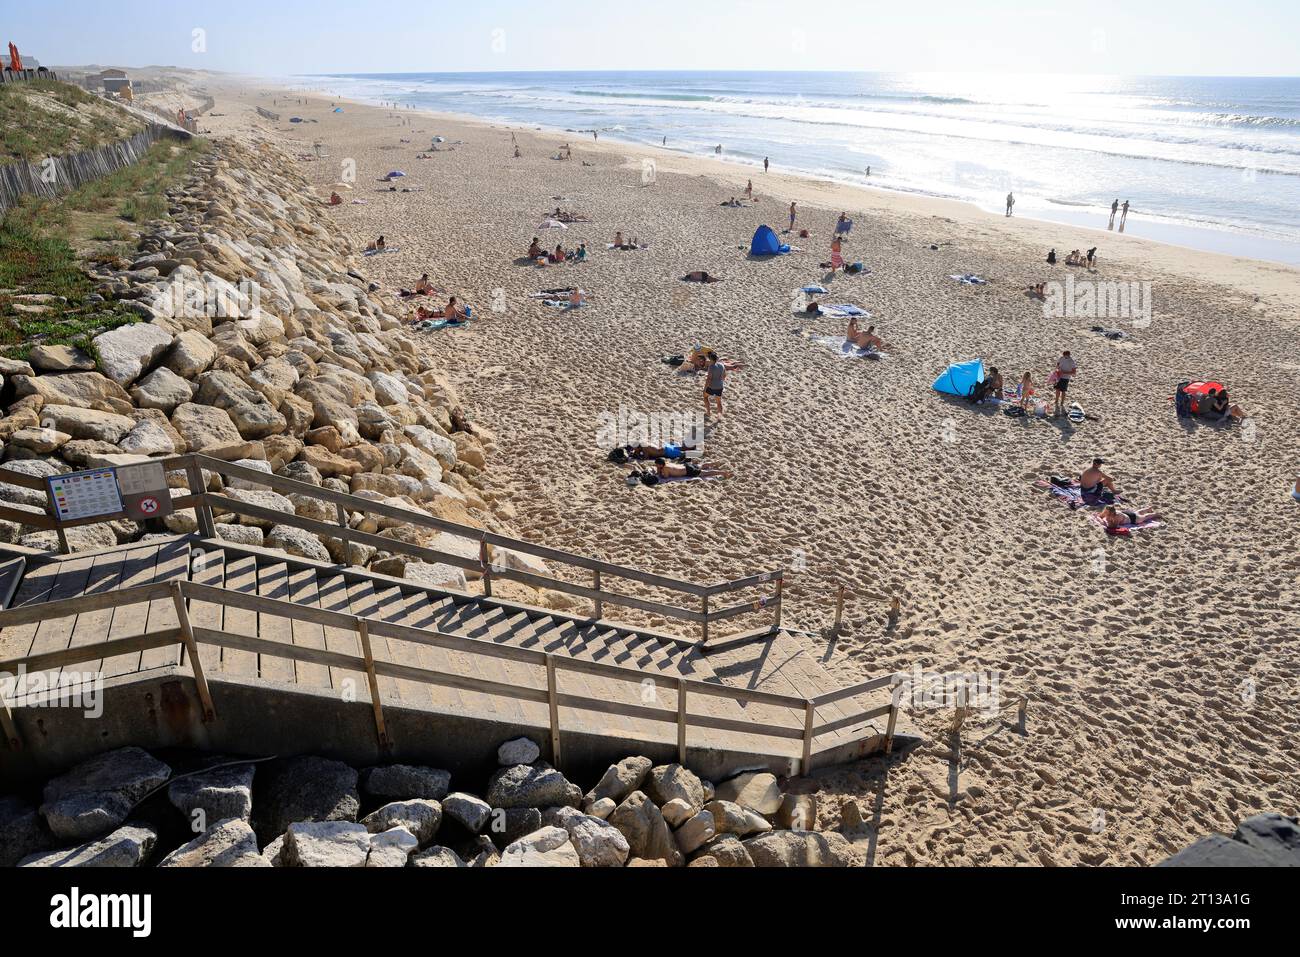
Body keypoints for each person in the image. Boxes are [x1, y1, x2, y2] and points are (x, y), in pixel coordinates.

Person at [650, 457, 732, 481]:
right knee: (701, 465)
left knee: (706, 473)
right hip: (686, 466)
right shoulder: (667, 463)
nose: (656, 466)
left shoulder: (665, 469)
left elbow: (665, 477)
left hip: (689, 471)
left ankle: (723, 473)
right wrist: (658, 469)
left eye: (657, 465)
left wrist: (659, 472)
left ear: (660, 465)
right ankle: (714, 463)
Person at [1052, 350, 1078, 417]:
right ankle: (1056, 401)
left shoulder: (1071, 361)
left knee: (1063, 390)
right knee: (1057, 389)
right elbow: (1058, 364)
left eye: (1066, 356)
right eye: (1064, 355)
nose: (1064, 356)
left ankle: (1062, 402)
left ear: (1069, 355)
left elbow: (1074, 372)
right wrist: (1057, 369)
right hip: (1059, 376)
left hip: (1066, 378)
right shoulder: (1061, 358)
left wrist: (1064, 372)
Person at [704, 352, 726, 416]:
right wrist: (720, 381)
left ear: (711, 359)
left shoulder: (711, 367)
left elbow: (709, 379)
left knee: (705, 397)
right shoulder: (722, 365)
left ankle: (708, 412)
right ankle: (719, 416)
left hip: (712, 386)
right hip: (720, 386)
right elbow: (724, 375)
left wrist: (705, 388)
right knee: (719, 402)